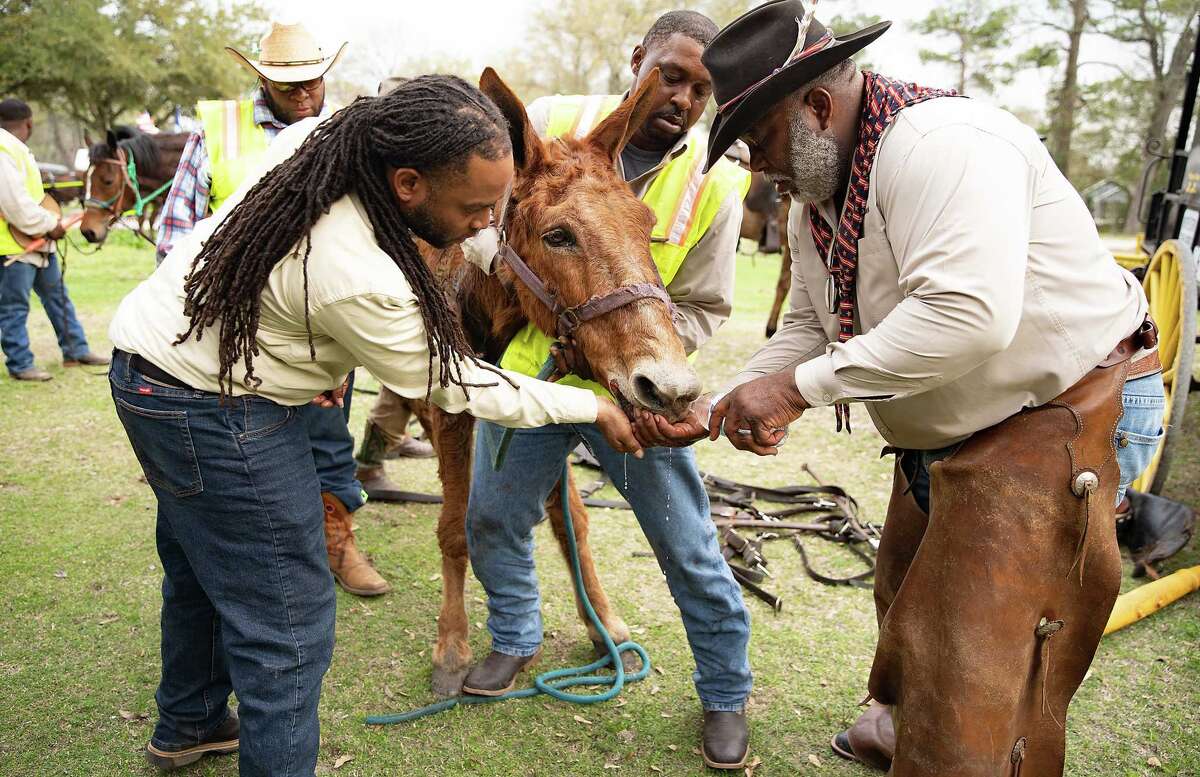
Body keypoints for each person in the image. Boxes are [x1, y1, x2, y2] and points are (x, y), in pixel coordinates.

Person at [648, 3, 1165, 775]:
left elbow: (967, 316)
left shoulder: (944, 146)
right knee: (905, 590)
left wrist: (795, 393)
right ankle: (901, 727)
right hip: (966, 421)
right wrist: (734, 394)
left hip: (1062, 407)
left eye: (762, 139)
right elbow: (809, 329)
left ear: (817, 105)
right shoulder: (818, 197)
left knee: (977, 655)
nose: (759, 166)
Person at [109, 76, 642, 775]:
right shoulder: (358, 274)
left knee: (199, 569)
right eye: (475, 208)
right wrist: (591, 405)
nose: (487, 224)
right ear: (409, 184)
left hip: (150, 368)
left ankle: (190, 722)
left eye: (497, 205)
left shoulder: (322, 141)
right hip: (209, 403)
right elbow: (457, 383)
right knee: (288, 624)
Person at [452, 11, 755, 770]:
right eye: (670, 75)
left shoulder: (715, 181)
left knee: (688, 545)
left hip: (640, 390)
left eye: (701, 88)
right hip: (535, 378)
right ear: (637, 62)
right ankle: (517, 635)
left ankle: (725, 689)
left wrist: (627, 348)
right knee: (492, 516)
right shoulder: (547, 124)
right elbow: (482, 229)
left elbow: (707, 307)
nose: (682, 97)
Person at [156, 21, 390, 597]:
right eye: (290, 86)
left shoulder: (351, 134)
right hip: (230, 329)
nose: (305, 94)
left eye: (313, 82)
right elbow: (174, 236)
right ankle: (250, 556)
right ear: (261, 79)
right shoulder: (219, 132)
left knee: (328, 435)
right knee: (238, 442)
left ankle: (337, 543)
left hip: (324, 322)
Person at [0, 98, 109, 381]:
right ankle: (21, 364)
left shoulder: (14, 148)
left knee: (58, 298)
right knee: (14, 307)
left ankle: (76, 350)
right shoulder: (3, 149)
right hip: (12, 245)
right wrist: (51, 224)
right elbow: (16, 205)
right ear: (28, 122)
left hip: (36, 243)